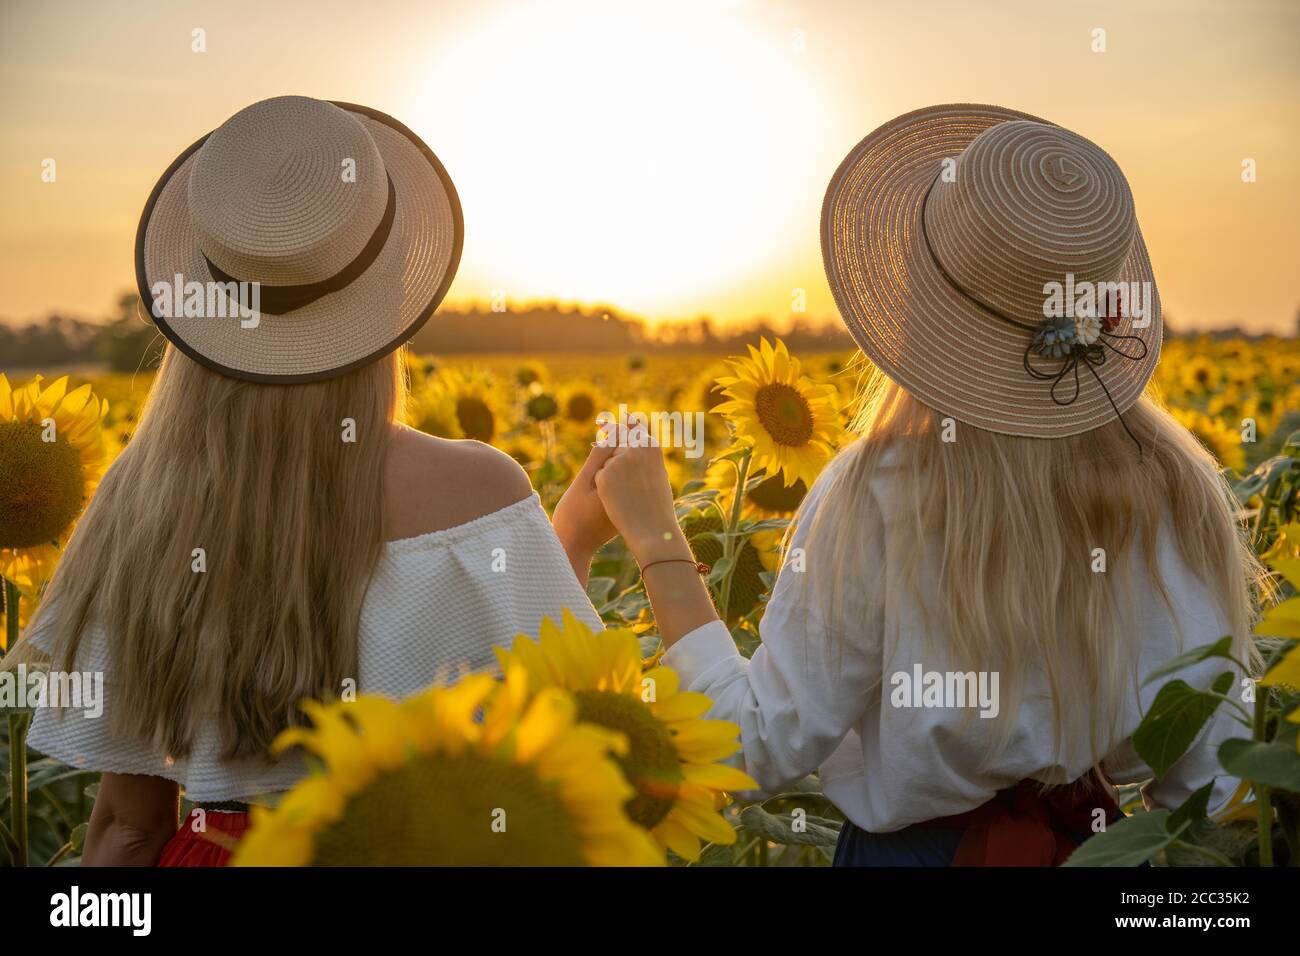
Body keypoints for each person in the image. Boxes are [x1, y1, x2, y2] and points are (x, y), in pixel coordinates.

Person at [580, 105, 1265, 865]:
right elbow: (1215, 792)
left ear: (924, 301)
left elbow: (748, 749)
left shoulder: (880, 495)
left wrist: (656, 537)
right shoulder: (1180, 491)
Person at [13, 96, 612, 865]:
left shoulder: (142, 498)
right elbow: (566, 738)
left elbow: (129, 828)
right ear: (392, 293)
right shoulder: (479, 493)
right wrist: (577, 543)